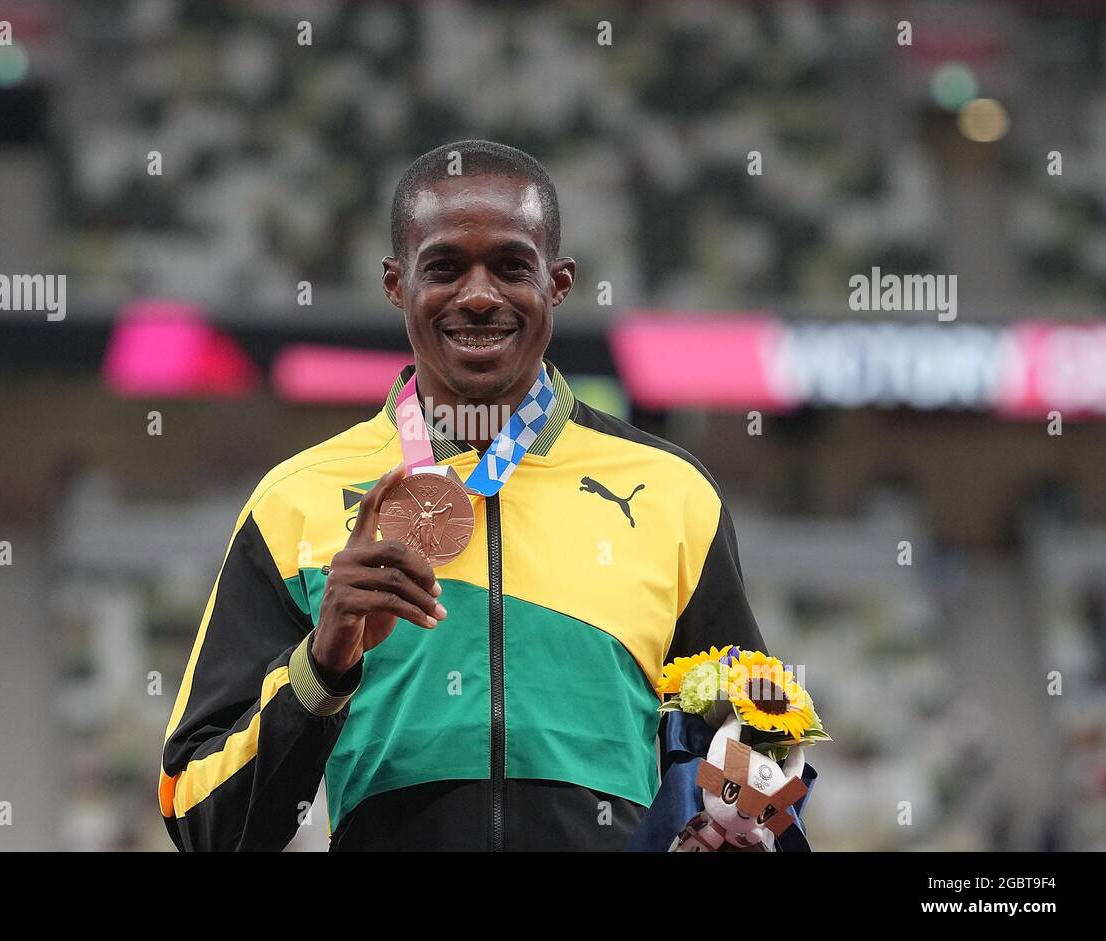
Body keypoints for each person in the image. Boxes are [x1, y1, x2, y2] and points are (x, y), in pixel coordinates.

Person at [159, 140, 766, 851]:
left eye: (511, 266)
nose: (479, 296)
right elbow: (199, 818)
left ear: (559, 282)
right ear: (395, 284)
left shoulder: (672, 492)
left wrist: (732, 828)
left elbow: (762, 731)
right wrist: (322, 668)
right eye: (443, 267)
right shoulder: (295, 500)